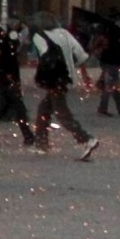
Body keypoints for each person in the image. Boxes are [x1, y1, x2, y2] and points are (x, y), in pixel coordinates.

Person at [29, 18, 98, 159]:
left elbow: (45, 56)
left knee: (62, 113)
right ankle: (41, 144)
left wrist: (41, 77)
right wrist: (84, 75)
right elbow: (80, 53)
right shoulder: (64, 33)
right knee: (43, 110)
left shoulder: (39, 36)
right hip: (66, 77)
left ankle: (86, 139)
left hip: (54, 79)